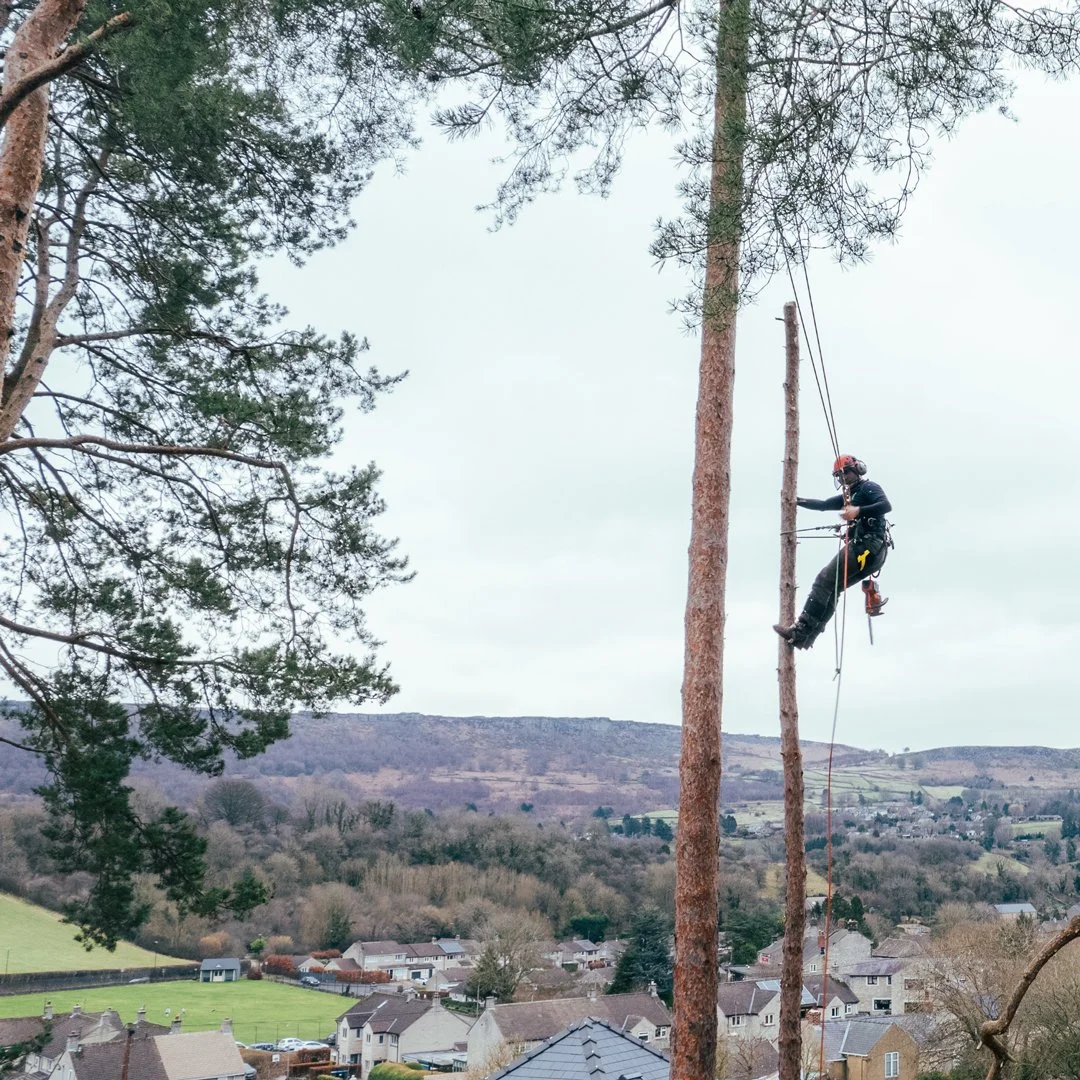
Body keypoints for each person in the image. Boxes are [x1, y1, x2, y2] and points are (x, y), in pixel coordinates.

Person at [774, 454, 892, 649]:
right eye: (839, 475)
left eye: (845, 472)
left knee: (823, 581)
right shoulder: (849, 496)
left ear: (857, 470)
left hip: (868, 546)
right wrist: (796, 500)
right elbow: (823, 505)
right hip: (871, 552)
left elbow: (885, 506)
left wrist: (858, 512)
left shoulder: (868, 488)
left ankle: (800, 630)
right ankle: (806, 638)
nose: (842, 478)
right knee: (833, 587)